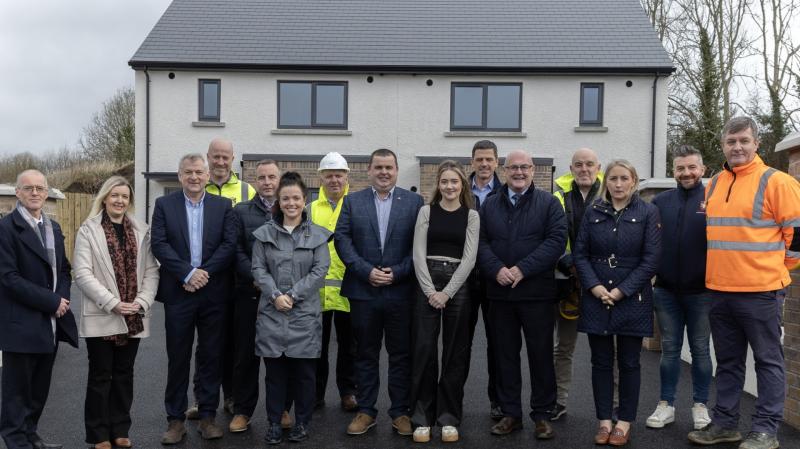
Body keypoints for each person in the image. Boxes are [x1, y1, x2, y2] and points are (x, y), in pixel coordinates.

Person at [688, 116, 800, 449]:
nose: (737, 147)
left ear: (756, 144)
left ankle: (766, 430)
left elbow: (797, 237)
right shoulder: (715, 183)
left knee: (768, 362)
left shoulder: (777, 182)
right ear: (723, 145)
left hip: (761, 292)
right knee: (728, 363)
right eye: (731, 141)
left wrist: (775, 270)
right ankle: (725, 425)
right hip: (720, 291)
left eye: (744, 141)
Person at [477, 150, 567, 440]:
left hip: (536, 293)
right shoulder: (490, 205)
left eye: (524, 167)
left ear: (533, 170)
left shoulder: (549, 203)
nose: (519, 172)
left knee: (541, 356)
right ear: (504, 171)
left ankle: (542, 415)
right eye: (513, 167)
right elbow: (480, 243)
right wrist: (497, 269)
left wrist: (522, 269)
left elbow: (556, 242)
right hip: (500, 293)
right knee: (504, 356)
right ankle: (510, 414)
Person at [334, 148, 424, 436]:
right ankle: (366, 411)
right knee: (364, 354)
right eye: (379, 167)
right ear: (369, 170)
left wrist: (397, 272)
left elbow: (420, 246)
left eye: (389, 167)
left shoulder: (414, 202)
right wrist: (366, 271)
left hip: (401, 291)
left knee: (401, 355)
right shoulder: (352, 201)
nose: (384, 172)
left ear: (396, 170)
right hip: (364, 290)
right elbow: (342, 240)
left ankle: (400, 412)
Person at [573, 159, 661, 447]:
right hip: (596, 297)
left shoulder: (647, 212)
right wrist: (596, 287)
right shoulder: (593, 211)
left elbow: (651, 259)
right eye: (613, 178)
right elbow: (580, 254)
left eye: (624, 178)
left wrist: (622, 290)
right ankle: (604, 421)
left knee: (629, 363)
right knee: (600, 362)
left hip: (632, 298)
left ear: (634, 181)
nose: (619, 184)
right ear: (606, 181)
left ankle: (624, 422)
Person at [150, 154, 237, 444]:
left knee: (212, 355)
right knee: (178, 357)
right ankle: (175, 420)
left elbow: (229, 245)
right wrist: (187, 273)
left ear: (207, 175)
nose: (194, 177)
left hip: (213, 294)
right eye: (188, 172)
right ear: (179, 176)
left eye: (199, 172)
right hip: (179, 293)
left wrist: (203, 274)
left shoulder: (223, 206)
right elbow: (159, 244)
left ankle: (208, 416)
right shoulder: (164, 205)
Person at [72, 176, 160, 449]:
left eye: (124, 196)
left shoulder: (141, 231)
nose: (119, 200)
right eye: (114, 195)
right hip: (104, 313)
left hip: (133, 314)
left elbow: (151, 271)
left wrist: (142, 302)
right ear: (105, 198)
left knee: (124, 374)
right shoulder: (88, 230)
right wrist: (112, 303)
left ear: (129, 201)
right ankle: (99, 434)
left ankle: (120, 429)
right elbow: (82, 274)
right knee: (100, 375)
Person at [0, 169, 79, 449]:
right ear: (17, 193)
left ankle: (31, 435)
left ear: (46, 193)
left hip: (50, 323)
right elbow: (8, 278)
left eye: (40, 188)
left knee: (39, 388)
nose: (35, 193)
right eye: (28, 188)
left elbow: (64, 270)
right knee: (16, 392)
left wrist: (62, 300)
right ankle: (16, 440)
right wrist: (52, 301)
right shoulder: (6, 228)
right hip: (21, 324)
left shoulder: (52, 227)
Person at [251, 172, 331, 444]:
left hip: (304, 315)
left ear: (304, 200)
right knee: (275, 375)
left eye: (296, 198)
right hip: (272, 312)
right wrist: (275, 295)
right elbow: (258, 268)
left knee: (305, 375)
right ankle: (274, 422)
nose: (291, 203)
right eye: (285, 198)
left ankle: (303, 422)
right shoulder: (264, 234)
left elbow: (320, 270)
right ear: (279, 201)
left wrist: (293, 295)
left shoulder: (318, 236)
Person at [181, 138, 256, 420]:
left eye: (226, 157)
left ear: (233, 159)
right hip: (207, 279)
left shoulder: (247, 190)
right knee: (207, 344)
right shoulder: (198, 185)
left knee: (236, 343)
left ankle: (232, 397)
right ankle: (202, 399)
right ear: (208, 157)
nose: (221, 162)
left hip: (239, 278)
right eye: (216, 156)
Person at [410, 161, 479, 443]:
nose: (449, 186)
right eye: (444, 182)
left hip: (457, 285)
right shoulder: (426, 211)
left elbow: (470, 258)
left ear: (462, 185)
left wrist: (447, 292)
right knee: (424, 350)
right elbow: (417, 254)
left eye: (454, 181)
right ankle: (422, 419)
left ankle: (449, 418)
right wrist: (430, 291)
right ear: (438, 185)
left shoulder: (471, 216)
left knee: (455, 353)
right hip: (426, 281)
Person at [646, 146, 712, 431]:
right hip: (666, 291)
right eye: (680, 168)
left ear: (702, 170)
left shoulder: (714, 199)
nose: (686, 173)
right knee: (670, 350)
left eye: (691, 167)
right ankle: (666, 405)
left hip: (702, 292)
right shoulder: (660, 202)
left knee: (701, 351)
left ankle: (700, 406)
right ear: (673, 171)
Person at [228, 159, 283, 433]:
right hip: (249, 294)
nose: (267, 182)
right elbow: (235, 249)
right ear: (254, 181)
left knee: (280, 357)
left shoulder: (292, 209)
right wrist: (258, 278)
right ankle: (242, 410)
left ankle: (282, 409)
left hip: (282, 298)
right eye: (262, 177)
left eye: (272, 177)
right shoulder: (240, 211)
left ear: (279, 179)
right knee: (246, 356)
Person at [551, 147, 603, 420]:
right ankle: (559, 401)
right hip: (567, 282)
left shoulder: (610, 193)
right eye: (579, 164)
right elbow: (551, 235)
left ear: (598, 168)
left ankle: (611, 406)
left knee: (606, 350)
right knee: (564, 348)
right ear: (571, 169)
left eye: (589, 164)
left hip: (601, 284)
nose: (584, 169)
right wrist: (570, 264)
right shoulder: (557, 197)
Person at [310, 152, 358, 412]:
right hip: (316, 293)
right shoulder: (309, 209)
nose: (334, 180)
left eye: (339, 175)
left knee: (349, 347)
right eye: (329, 175)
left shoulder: (356, 205)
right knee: (316, 348)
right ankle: (315, 393)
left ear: (347, 176)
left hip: (349, 289)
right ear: (321, 177)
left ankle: (348, 392)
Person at [466, 140, 503, 420]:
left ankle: (498, 402)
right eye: (479, 159)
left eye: (489, 159)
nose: (484, 164)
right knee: (458, 344)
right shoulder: (460, 190)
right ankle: (452, 402)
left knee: (498, 344)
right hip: (464, 280)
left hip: (494, 278)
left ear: (497, 162)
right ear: (472, 162)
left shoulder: (505, 192)